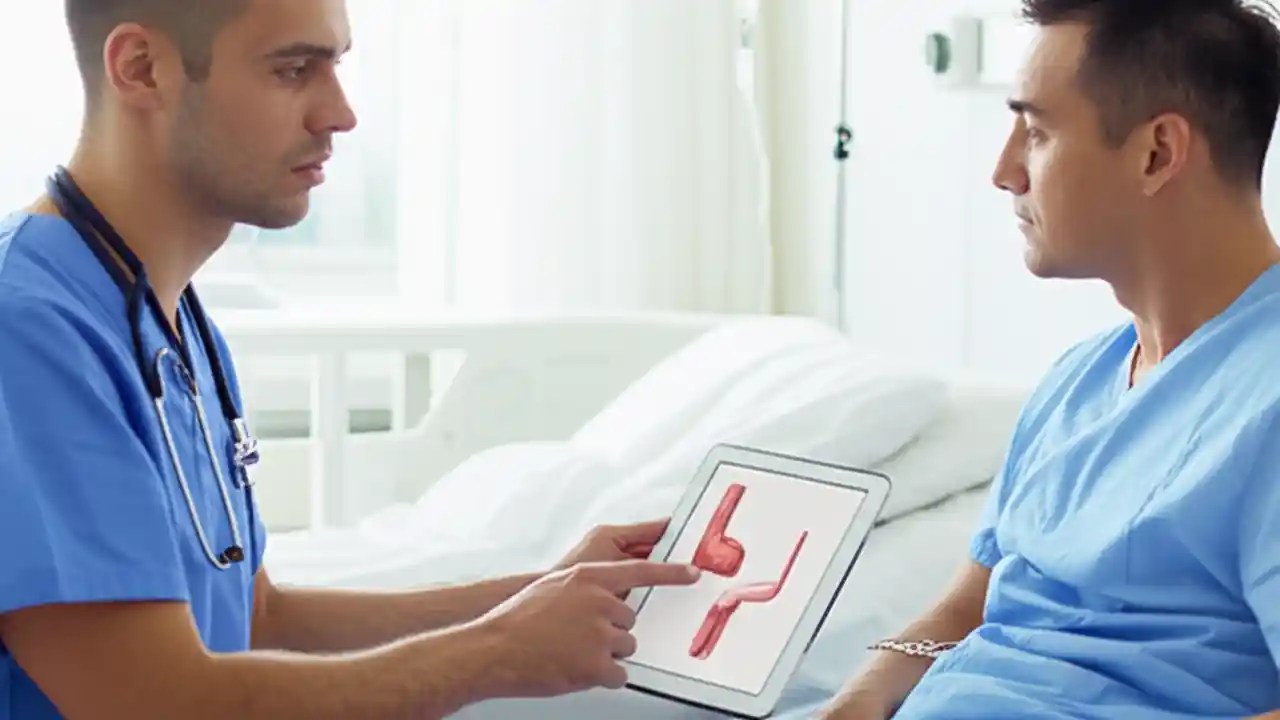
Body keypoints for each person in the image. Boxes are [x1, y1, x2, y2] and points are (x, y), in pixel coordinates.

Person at [0, 1, 702, 718]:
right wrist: (496, 653)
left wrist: (540, 591)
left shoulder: (165, 317)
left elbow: (256, 616)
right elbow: (164, 703)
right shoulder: (28, 331)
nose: (340, 114)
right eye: (293, 70)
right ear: (142, 70)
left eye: (337, 66)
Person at [815, 0, 1280, 718]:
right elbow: (968, 607)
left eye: (1035, 132)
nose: (1004, 172)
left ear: (1157, 153)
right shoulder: (1077, 380)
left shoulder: (1266, 400)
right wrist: (860, 696)